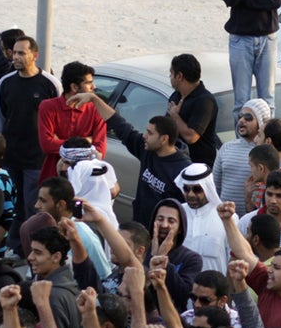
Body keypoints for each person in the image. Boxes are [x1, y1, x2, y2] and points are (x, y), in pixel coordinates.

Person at [69, 90, 192, 227]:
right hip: (140, 227)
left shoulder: (183, 170)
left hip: (162, 235)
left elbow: (189, 212)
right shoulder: (147, 150)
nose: (144, 136)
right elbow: (120, 125)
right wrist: (93, 98)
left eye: (150, 133)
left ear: (164, 139)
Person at [0, 36, 61, 241]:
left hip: (37, 159)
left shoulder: (50, 84)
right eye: (14, 52)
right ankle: (15, 247)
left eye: (21, 53)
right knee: (13, 206)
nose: (16, 57)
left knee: (35, 207)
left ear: (35, 55)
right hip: (11, 157)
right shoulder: (5, 83)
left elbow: (60, 118)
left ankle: (34, 249)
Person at [35, 61, 105, 182]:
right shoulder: (48, 107)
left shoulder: (97, 109)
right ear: (74, 87)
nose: (94, 87)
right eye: (88, 83)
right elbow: (46, 145)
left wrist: (60, 143)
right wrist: (86, 141)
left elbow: (100, 151)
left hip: (85, 180)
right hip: (53, 180)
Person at [165, 54, 221, 166]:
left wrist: (175, 117)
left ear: (180, 76)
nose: (170, 76)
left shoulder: (205, 101)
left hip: (197, 167)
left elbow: (191, 137)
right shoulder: (176, 96)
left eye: (171, 73)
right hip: (176, 163)